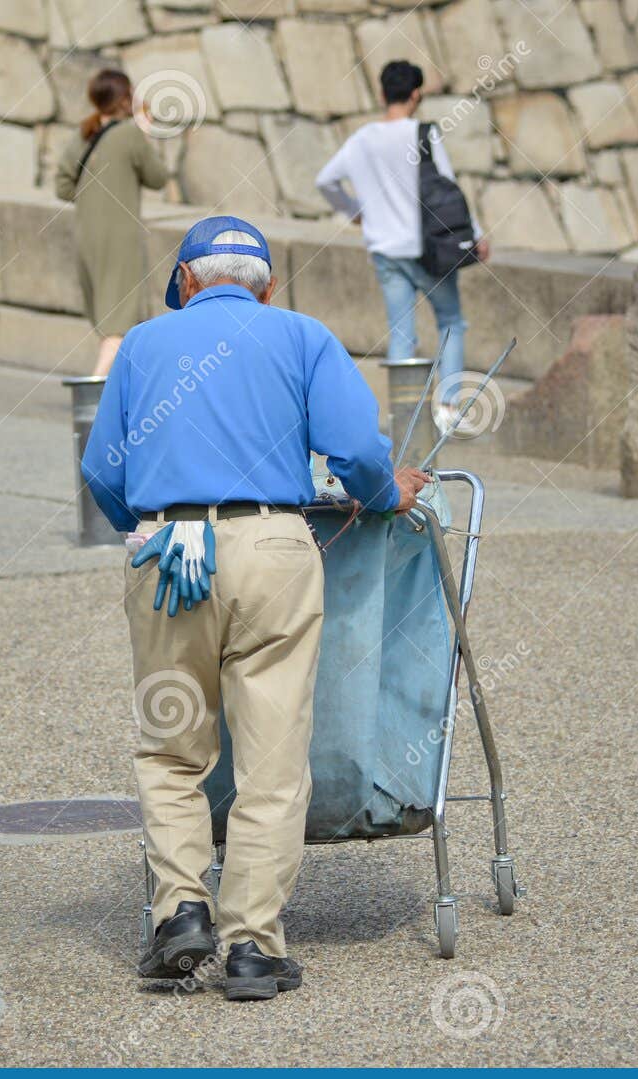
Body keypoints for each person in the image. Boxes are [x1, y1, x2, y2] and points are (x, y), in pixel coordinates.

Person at [80, 215, 433, 1001]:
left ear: (183, 284)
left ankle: (178, 912)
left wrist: (143, 523)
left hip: (170, 553)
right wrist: (383, 493)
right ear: (267, 287)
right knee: (272, 760)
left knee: (171, 748)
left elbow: (101, 469)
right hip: (274, 548)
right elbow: (359, 451)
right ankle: (251, 948)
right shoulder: (302, 335)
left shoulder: (141, 345)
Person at [315, 60, 488, 433]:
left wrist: (353, 211)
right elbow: (448, 187)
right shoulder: (423, 133)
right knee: (451, 322)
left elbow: (325, 180)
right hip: (428, 248)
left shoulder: (361, 139)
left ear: (381, 94)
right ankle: (447, 409)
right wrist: (474, 235)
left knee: (401, 333)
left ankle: (401, 417)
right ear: (415, 95)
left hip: (385, 250)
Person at [55, 70, 169, 376]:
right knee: (120, 315)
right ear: (124, 99)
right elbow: (158, 178)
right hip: (121, 238)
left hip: (86, 235)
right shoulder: (130, 135)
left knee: (108, 317)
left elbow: (63, 187)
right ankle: (96, 386)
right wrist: (145, 134)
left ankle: (121, 382)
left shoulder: (84, 134)